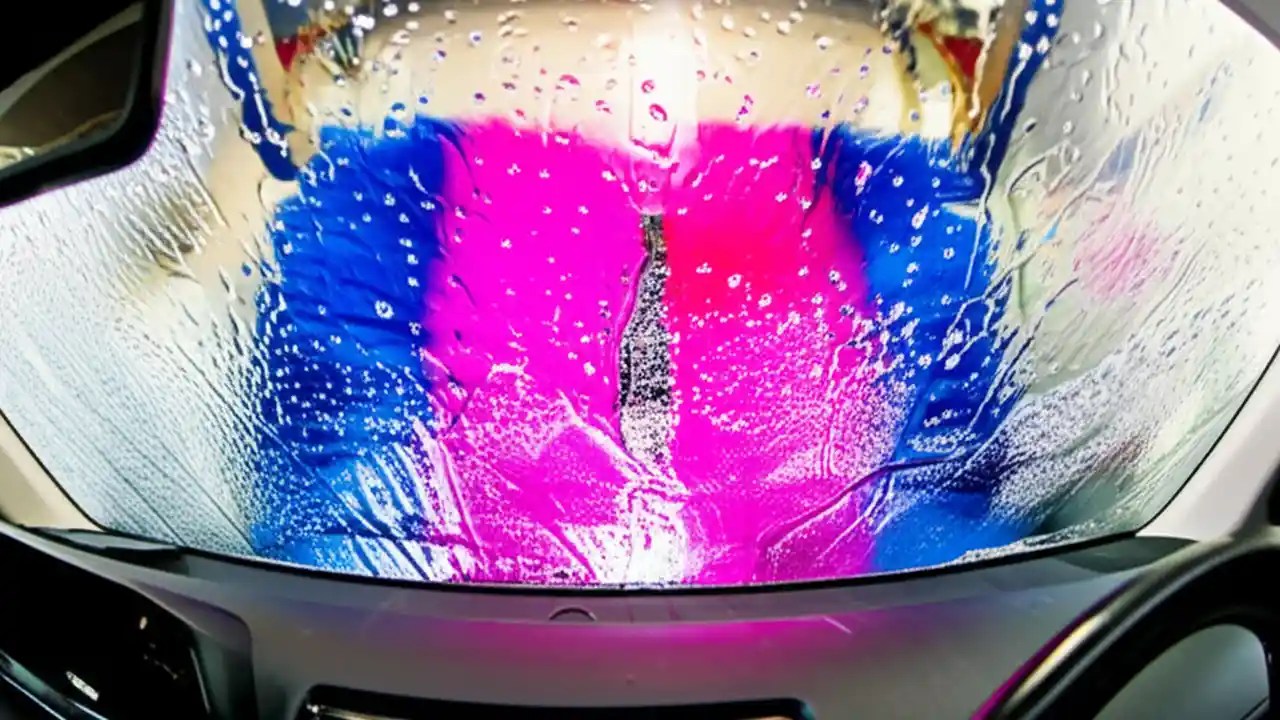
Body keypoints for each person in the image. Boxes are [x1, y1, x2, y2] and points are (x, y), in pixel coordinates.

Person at [197, 0, 1059, 584]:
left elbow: (948, 468)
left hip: (823, 611)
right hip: (486, 615)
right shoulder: (394, 188)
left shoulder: (874, 184)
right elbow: (340, 443)